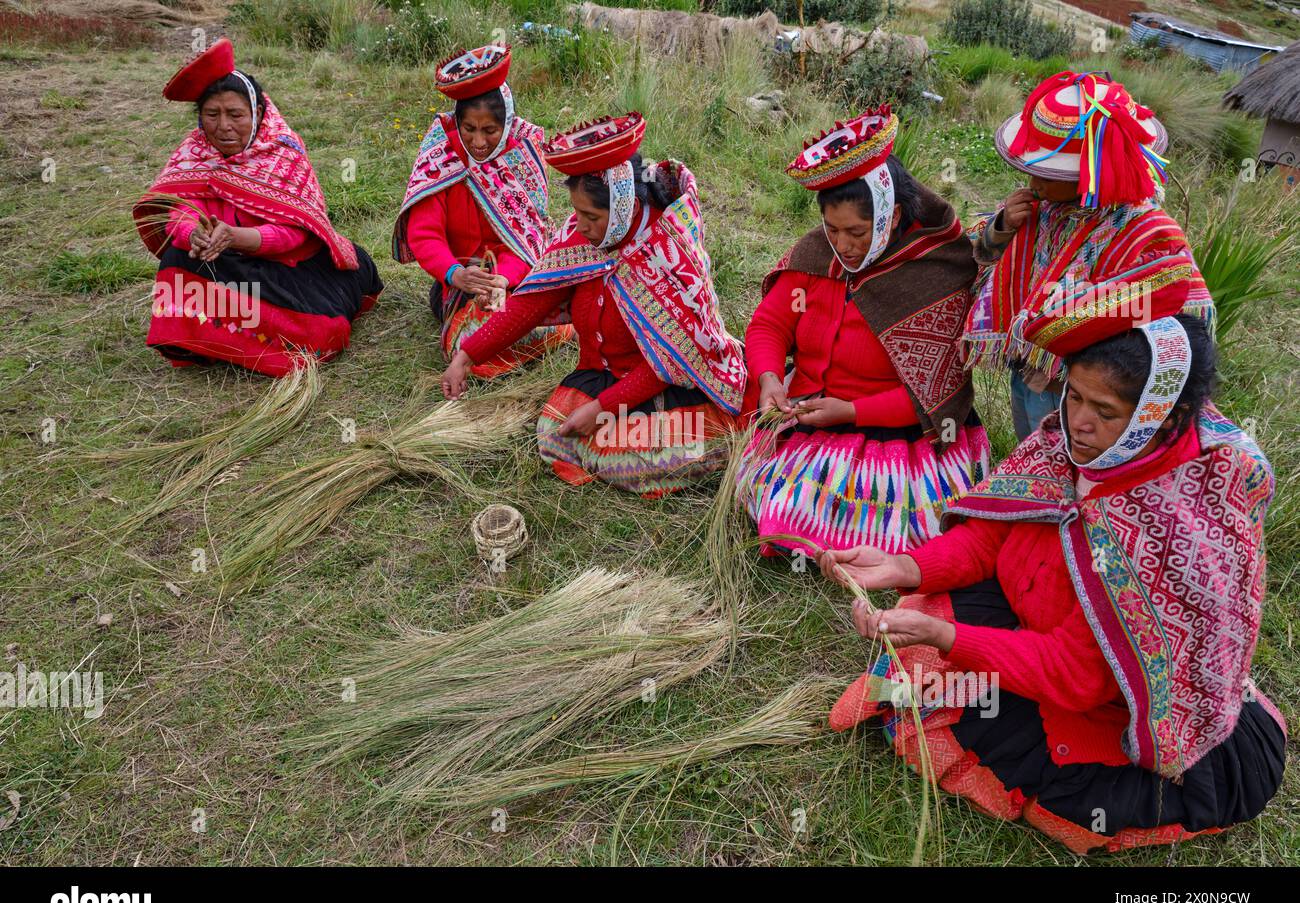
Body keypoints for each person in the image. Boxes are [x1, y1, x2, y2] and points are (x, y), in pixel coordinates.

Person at [819, 309, 1285, 854]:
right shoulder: (1069, 446)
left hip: (1103, 701)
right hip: (1037, 627)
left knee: (1040, 766)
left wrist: (944, 636)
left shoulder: (1172, 529)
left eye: (1104, 411)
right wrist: (909, 567)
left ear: (1162, 417)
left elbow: (1079, 676)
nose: (1077, 422)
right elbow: (993, 536)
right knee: (927, 659)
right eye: (1074, 395)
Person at [441, 113, 747, 498]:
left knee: (650, 455)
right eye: (577, 212)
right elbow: (530, 305)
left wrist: (604, 408)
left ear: (622, 207)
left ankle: (692, 446)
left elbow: (668, 364)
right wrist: (466, 356)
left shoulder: (668, 256)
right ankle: (611, 446)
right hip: (604, 377)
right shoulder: (583, 242)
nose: (579, 226)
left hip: (667, 384)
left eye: (591, 216)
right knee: (554, 435)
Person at [738, 106, 990, 556]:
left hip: (897, 434)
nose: (844, 245)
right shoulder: (816, 256)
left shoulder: (932, 275)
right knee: (776, 501)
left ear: (891, 218)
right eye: (832, 229)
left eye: (856, 231)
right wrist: (770, 379)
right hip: (809, 413)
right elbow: (770, 323)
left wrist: (852, 413)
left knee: (832, 513)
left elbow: (932, 394)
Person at [965, 70, 1214, 439]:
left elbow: (1182, 312)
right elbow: (977, 254)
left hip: (1093, 396)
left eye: (1046, 175)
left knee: (1081, 470)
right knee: (1034, 461)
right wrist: (1000, 228)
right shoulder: (1040, 207)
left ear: (1090, 174)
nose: (1034, 183)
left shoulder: (1147, 232)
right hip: (1030, 374)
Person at [134, 38, 382, 376]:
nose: (223, 126)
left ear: (259, 114)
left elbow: (295, 234)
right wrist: (193, 233)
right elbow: (178, 210)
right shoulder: (193, 155)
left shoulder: (283, 154)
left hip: (289, 269)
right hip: (230, 268)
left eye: (236, 114)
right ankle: (218, 340)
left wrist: (235, 236)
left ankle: (236, 338)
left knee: (326, 332)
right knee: (177, 259)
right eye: (211, 115)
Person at [393, 44, 570, 376]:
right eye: (468, 129)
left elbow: (528, 238)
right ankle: (501, 339)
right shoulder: (441, 156)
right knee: (471, 342)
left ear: (507, 123)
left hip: (514, 276)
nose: (477, 142)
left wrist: (502, 278)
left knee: (559, 305)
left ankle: (526, 331)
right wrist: (454, 274)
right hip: (461, 281)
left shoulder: (523, 158)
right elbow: (424, 233)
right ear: (456, 122)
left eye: (490, 130)